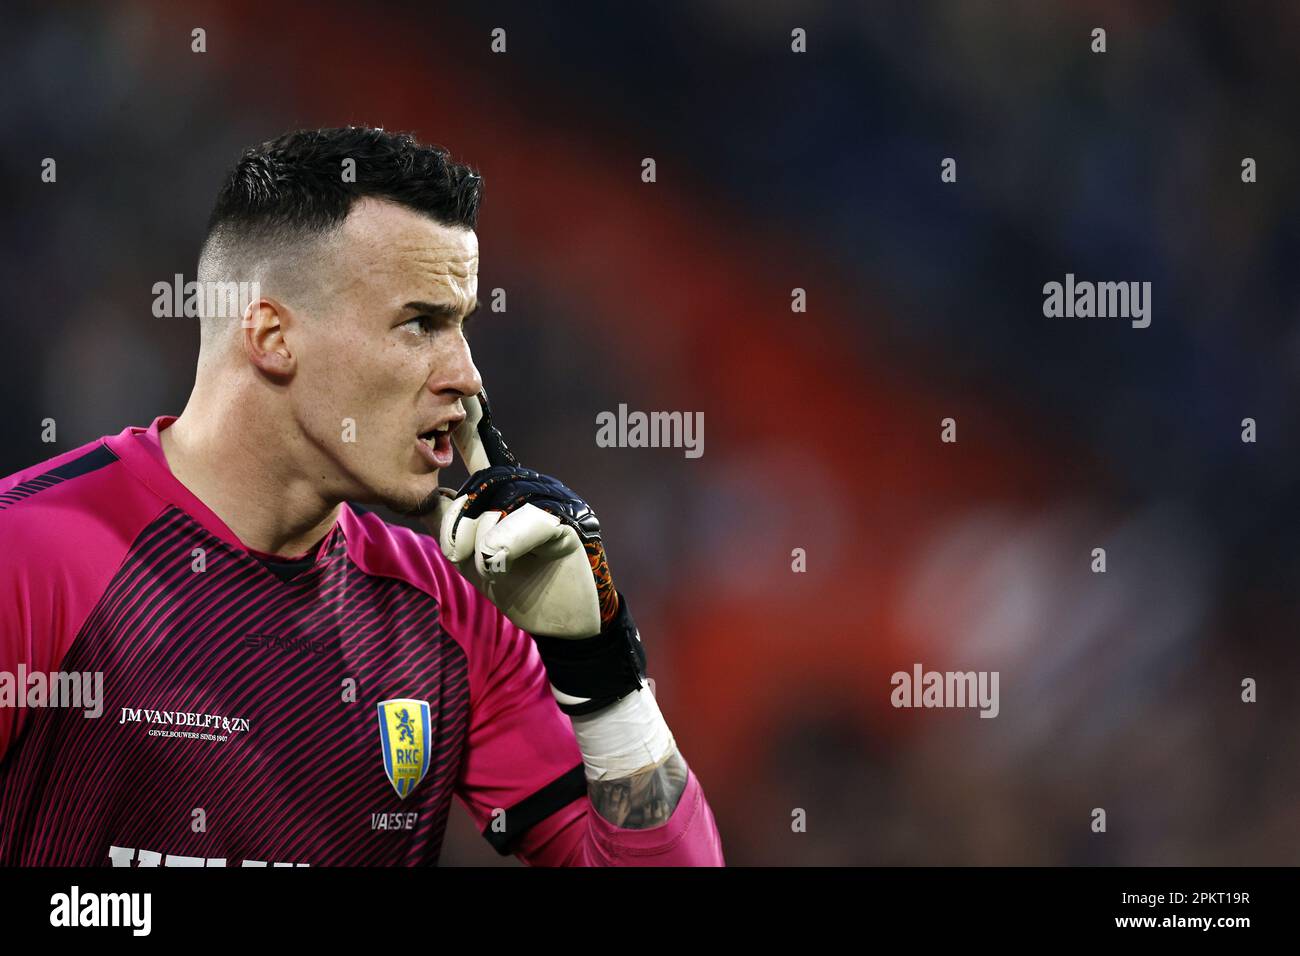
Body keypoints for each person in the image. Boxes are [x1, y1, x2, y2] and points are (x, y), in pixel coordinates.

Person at [0, 127, 724, 866]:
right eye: (422, 323)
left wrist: (600, 668)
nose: (468, 377)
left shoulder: (453, 613)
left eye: (462, 326)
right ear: (274, 336)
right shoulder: (29, 555)